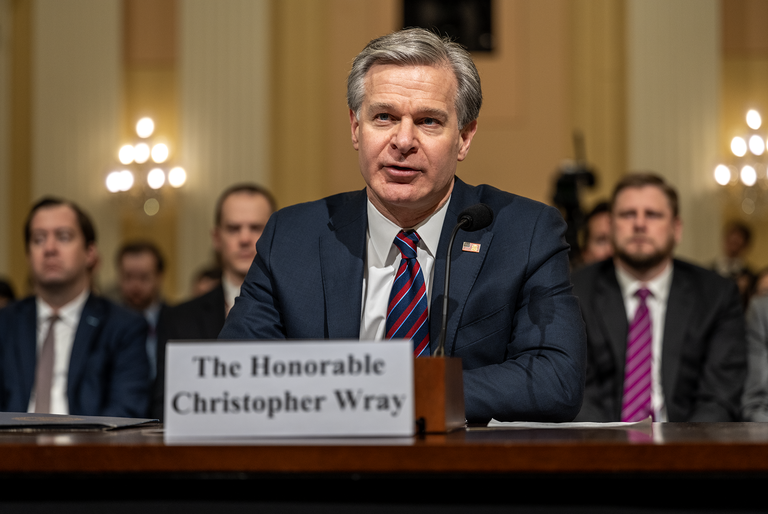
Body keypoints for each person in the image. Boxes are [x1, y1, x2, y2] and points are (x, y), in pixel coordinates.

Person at [219, 28, 586, 424]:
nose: (404, 140)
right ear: (356, 128)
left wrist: (395, 393)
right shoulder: (293, 236)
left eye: (428, 121)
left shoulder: (525, 233)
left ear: (464, 137)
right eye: (384, 117)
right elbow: (239, 375)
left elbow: (555, 380)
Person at [573, 173, 746, 422]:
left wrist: (680, 455)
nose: (640, 224)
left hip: (689, 445)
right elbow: (578, 391)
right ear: (610, 227)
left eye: (653, 214)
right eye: (627, 214)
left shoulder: (716, 295)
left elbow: (719, 396)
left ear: (676, 229)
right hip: (600, 445)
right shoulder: (576, 290)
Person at [0, 198, 150, 417]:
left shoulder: (123, 326)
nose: (49, 248)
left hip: (89, 449)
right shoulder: (5, 324)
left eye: (63, 237)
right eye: (38, 239)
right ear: (27, 256)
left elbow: (125, 412)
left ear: (90, 253)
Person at [152, 183, 276, 418]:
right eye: (233, 228)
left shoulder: (301, 311)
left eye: (256, 228)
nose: (244, 238)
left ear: (275, 235)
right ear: (216, 238)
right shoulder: (179, 318)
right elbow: (164, 405)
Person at [116, 241, 169, 381]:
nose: (135, 286)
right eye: (128, 277)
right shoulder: (106, 323)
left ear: (159, 276)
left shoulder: (177, 322)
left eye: (144, 277)